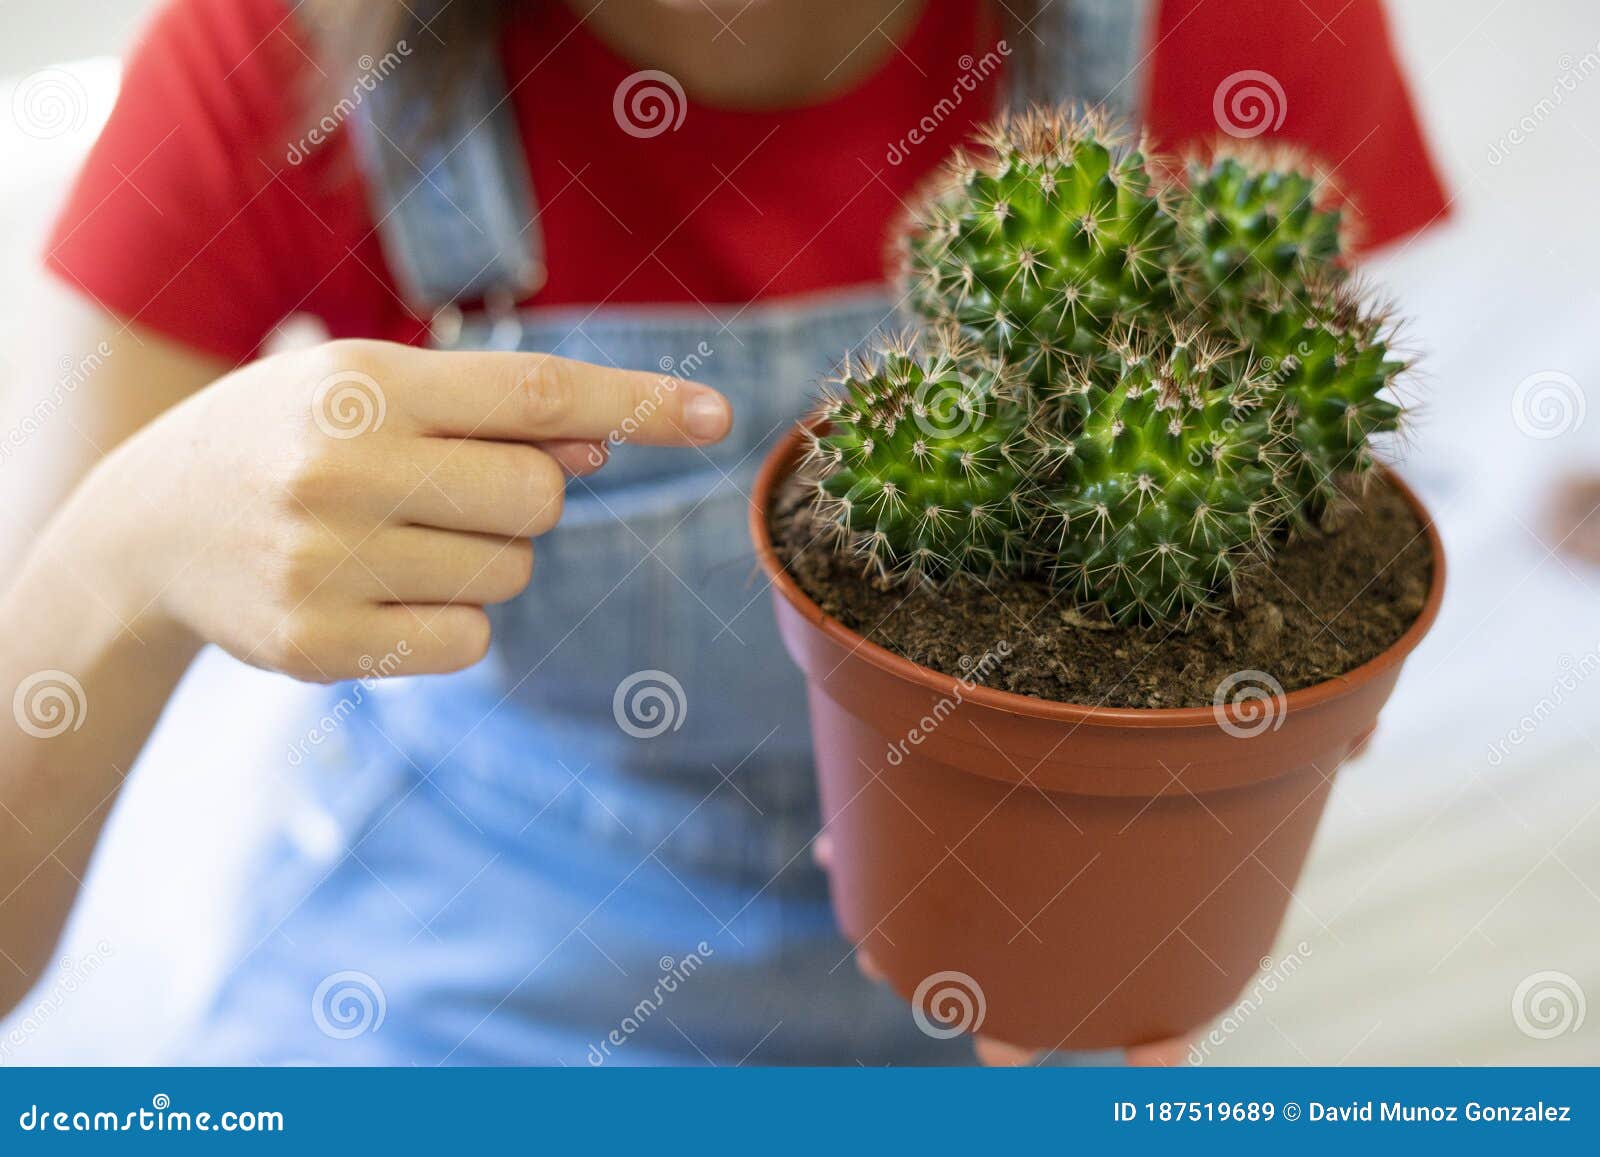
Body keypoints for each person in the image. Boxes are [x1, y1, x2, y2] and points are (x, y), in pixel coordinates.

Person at [0, 0, 1447, 1064]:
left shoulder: (1243, 26)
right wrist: (122, 558)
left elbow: (1307, 544)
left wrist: (1191, 820)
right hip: (450, 1006)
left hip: (1018, 994)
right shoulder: (283, 54)